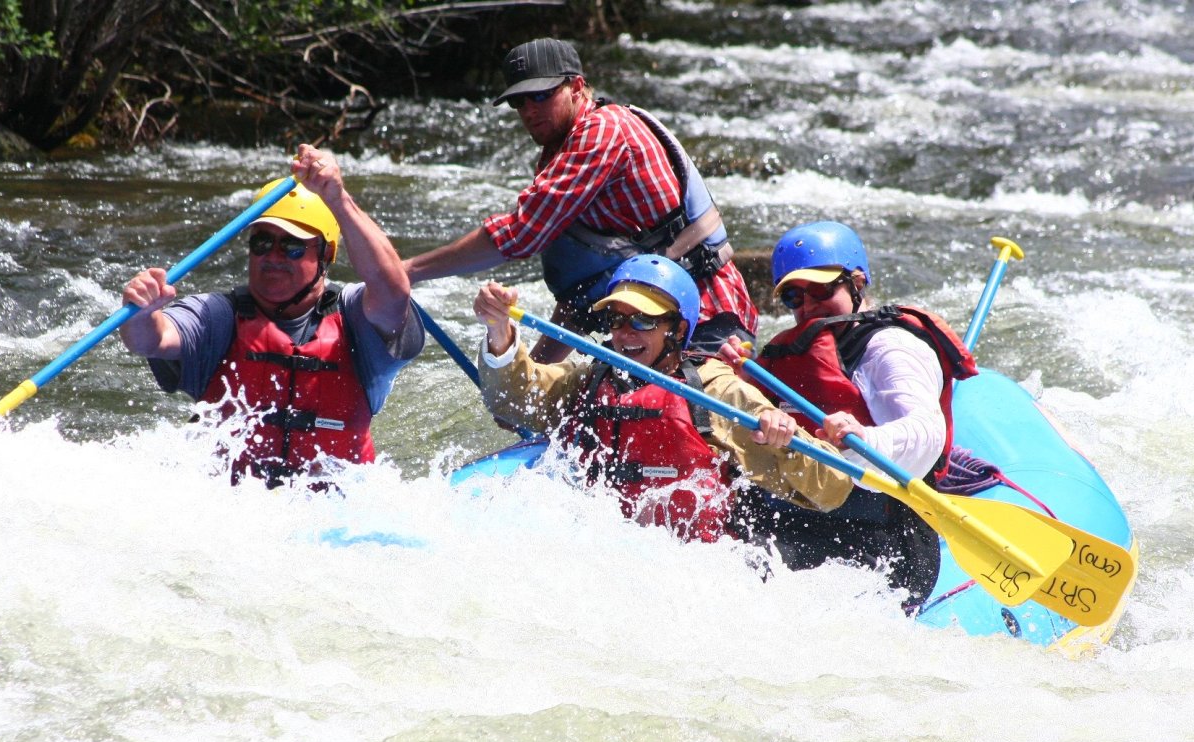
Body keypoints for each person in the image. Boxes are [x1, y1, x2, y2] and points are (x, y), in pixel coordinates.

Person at [406, 37, 758, 364]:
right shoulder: (555, 157)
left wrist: (407, 272)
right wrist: (532, 377)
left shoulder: (603, 131)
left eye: (541, 94)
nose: (529, 109)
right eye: (519, 101)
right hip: (642, 331)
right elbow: (580, 293)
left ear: (576, 86)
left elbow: (520, 234)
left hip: (706, 322)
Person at [473, 255, 851, 543]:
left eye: (643, 321)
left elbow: (834, 487)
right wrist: (499, 331)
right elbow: (515, 399)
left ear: (679, 329)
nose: (625, 334)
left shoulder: (715, 392)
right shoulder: (593, 380)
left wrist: (786, 441)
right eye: (616, 321)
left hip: (694, 568)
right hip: (602, 551)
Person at [119, 145, 424, 487]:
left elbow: (394, 293)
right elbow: (150, 339)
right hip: (233, 510)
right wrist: (141, 312)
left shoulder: (356, 319)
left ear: (326, 255)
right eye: (262, 242)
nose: (273, 256)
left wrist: (338, 199)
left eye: (293, 246)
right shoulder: (217, 316)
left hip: (338, 517)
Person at [718, 220, 979, 608]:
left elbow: (926, 432)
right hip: (799, 519)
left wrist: (864, 438)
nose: (807, 306)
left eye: (821, 289)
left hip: (882, 536)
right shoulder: (796, 350)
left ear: (857, 282)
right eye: (793, 296)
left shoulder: (891, 348)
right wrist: (744, 383)